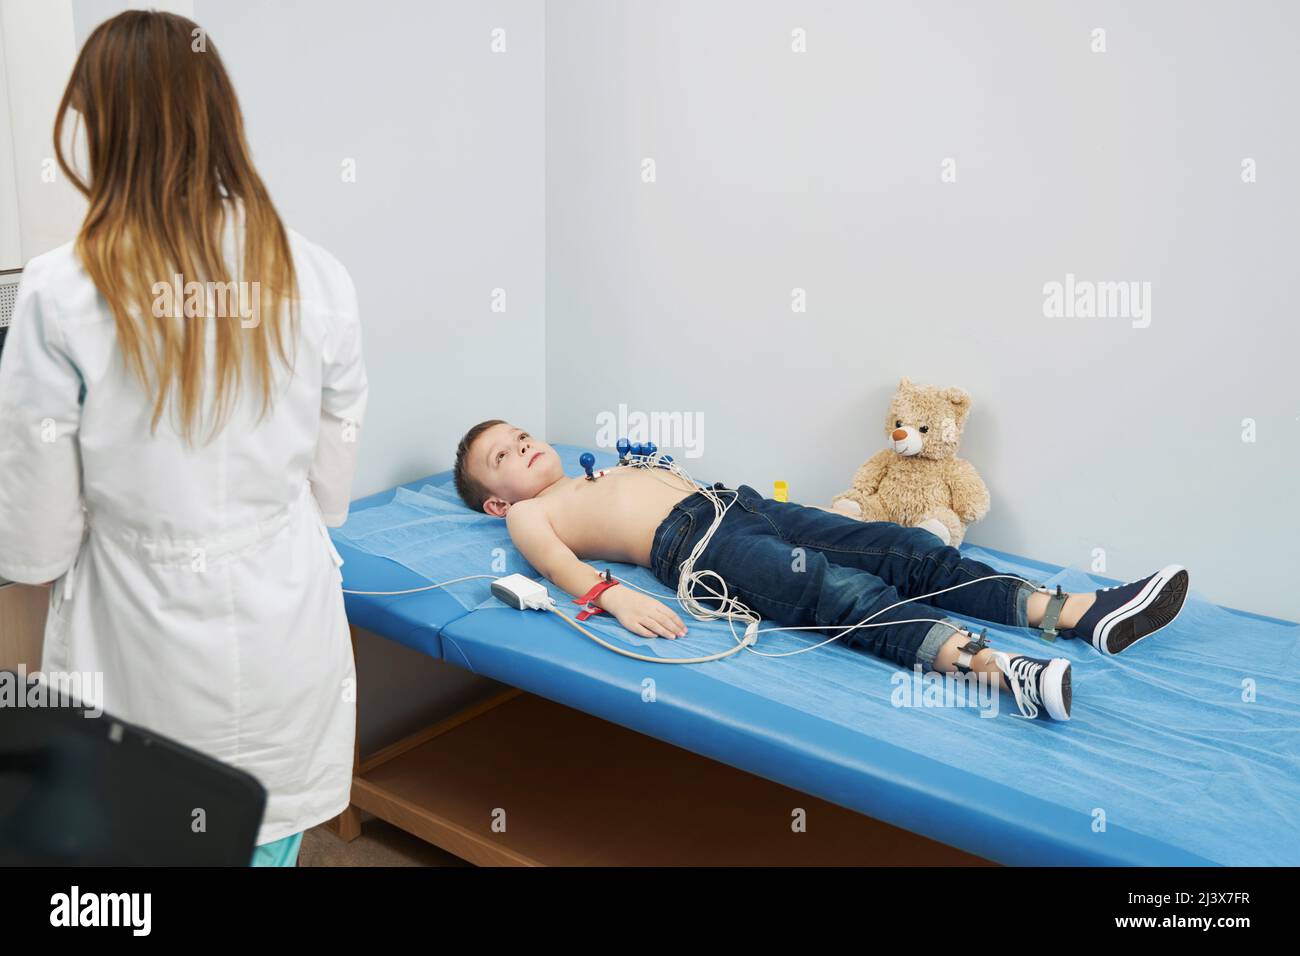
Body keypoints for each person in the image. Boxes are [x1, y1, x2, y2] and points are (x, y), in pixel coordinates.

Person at [0, 11, 367, 866]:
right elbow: (332, 481)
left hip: (138, 648)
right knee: (263, 841)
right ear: (218, 114)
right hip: (288, 623)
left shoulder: (63, 291)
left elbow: (38, 538)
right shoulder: (315, 273)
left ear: (100, 127)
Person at [452, 421, 1191, 722]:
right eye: (504, 457)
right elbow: (558, 567)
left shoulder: (593, 468)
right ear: (494, 502)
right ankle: (999, 672)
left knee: (898, 547)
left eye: (521, 436)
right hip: (698, 551)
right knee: (837, 591)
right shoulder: (529, 514)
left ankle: (1074, 611)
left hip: (735, 505)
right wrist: (612, 602)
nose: (523, 447)